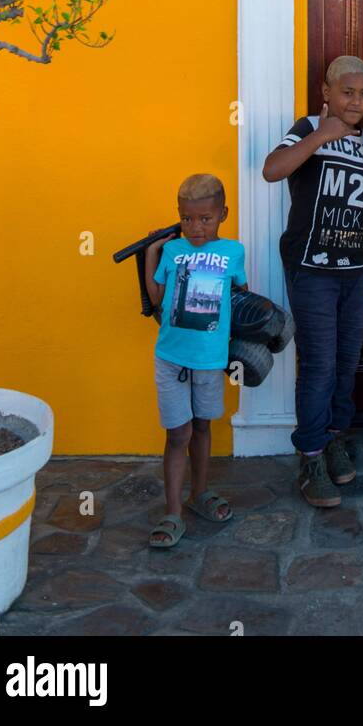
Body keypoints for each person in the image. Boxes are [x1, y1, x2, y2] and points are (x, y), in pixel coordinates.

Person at [263, 56, 363, 508]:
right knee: (319, 362)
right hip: (312, 268)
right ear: (326, 93)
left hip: (357, 268)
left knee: (347, 360)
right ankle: (310, 454)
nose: (355, 101)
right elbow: (272, 170)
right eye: (347, 92)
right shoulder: (308, 125)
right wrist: (320, 136)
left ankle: (334, 436)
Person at [144, 174, 246, 547]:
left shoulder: (233, 253)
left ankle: (198, 493)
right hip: (170, 358)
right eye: (187, 219)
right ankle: (172, 512)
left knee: (202, 428)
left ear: (223, 214)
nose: (196, 227)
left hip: (209, 360)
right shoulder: (173, 252)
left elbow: (241, 298)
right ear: (179, 216)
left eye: (205, 218)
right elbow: (156, 298)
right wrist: (153, 253)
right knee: (178, 434)